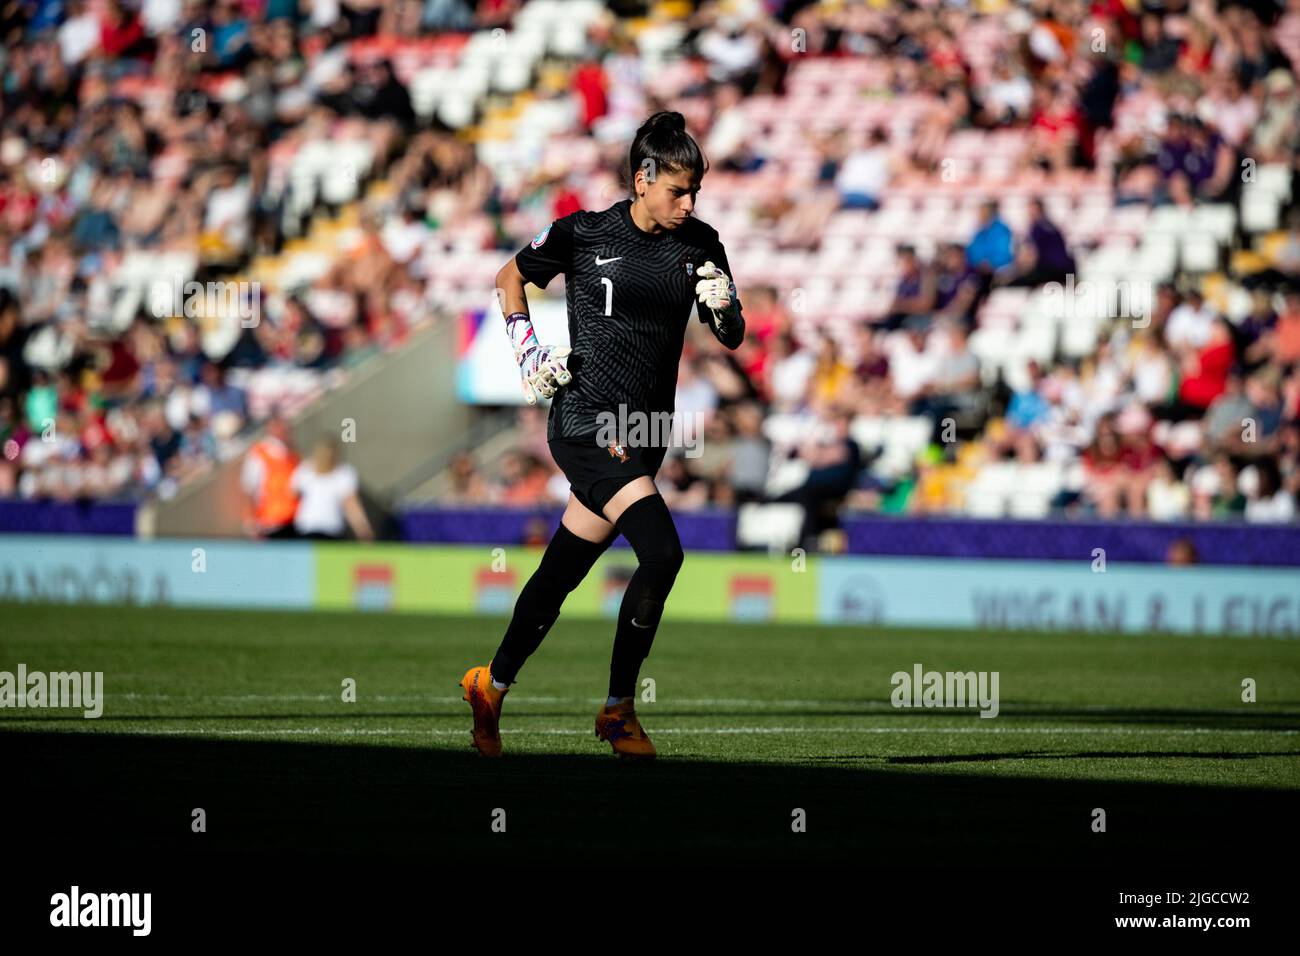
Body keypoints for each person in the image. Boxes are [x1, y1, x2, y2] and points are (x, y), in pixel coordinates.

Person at [460, 111, 745, 760]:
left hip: (644, 432)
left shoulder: (699, 243)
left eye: (696, 190)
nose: (689, 202)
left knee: (561, 572)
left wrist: (724, 305)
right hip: (586, 421)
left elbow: (729, 333)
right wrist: (527, 350)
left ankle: (491, 683)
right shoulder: (584, 234)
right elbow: (509, 277)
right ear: (642, 179)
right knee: (663, 553)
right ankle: (618, 708)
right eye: (678, 190)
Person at [290, 437, 374, 541]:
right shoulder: (306, 469)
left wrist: (362, 528)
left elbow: (351, 505)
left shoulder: (343, 473)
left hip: (327, 528)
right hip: (310, 527)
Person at [240, 413, 300, 539]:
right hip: (270, 523)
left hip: (292, 521)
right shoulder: (259, 453)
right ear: (271, 427)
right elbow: (248, 488)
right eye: (281, 426)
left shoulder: (291, 455)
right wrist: (251, 521)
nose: (286, 430)